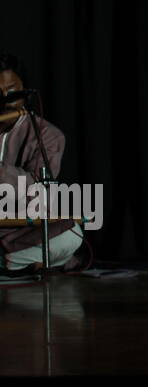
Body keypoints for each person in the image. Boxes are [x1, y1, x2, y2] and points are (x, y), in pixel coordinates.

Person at [0, 53, 90, 284]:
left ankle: (9, 267)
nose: (5, 98)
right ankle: (15, 269)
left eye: (11, 91)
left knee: (71, 236)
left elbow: (35, 189)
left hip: (18, 228)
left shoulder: (48, 135)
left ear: (25, 90)